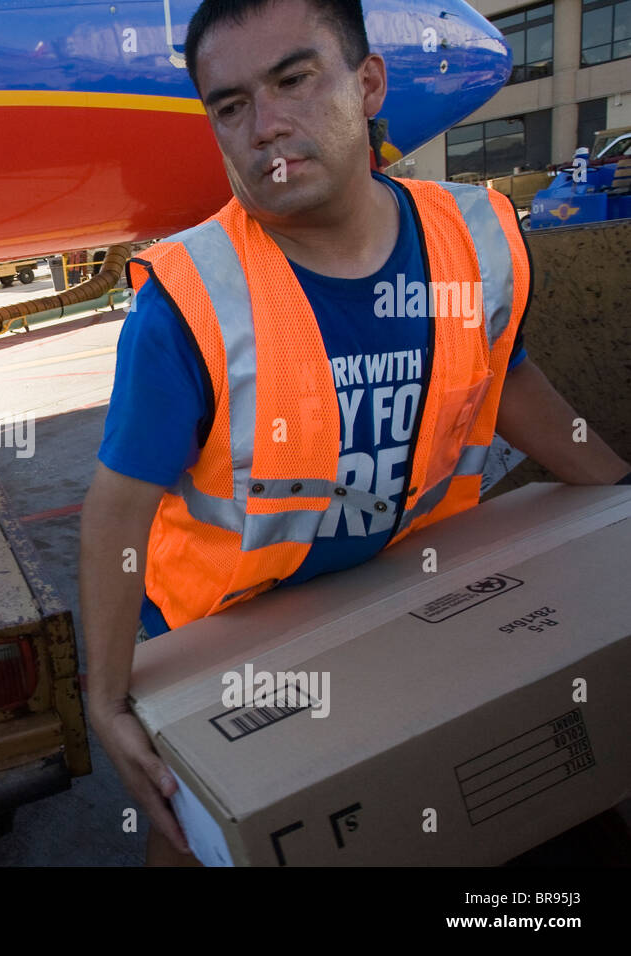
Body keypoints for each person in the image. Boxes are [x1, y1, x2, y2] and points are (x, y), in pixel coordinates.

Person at [78, 0, 631, 867]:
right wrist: (106, 702)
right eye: (230, 106)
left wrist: (616, 495)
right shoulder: (191, 301)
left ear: (368, 83)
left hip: (412, 589)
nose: (264, 127)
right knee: (198, 834)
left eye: (293, 80)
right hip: (234, 640)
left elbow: (508, 374)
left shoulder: (469, 239)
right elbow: (117, 511)